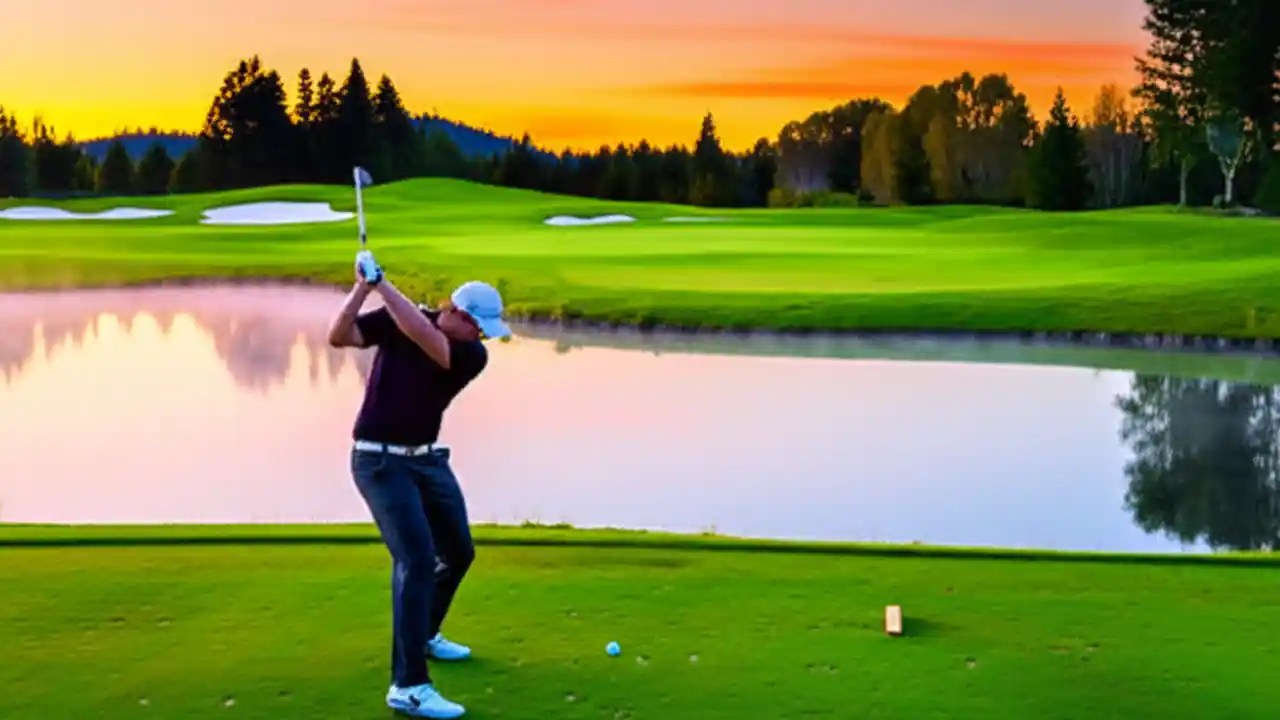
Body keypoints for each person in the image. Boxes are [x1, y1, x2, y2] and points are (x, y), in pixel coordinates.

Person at [327, 251, 510, 719]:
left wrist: (383, 284)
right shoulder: (399, 320)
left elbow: (426, 338)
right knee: (415, 558)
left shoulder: (471, 354)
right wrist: (361, 290)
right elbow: (339, 336)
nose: (485, 335)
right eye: (480, 325)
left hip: (426, 461)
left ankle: (424, 633)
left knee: (459, 551)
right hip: (377, 461)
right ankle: (407, 686)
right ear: (459, 313)